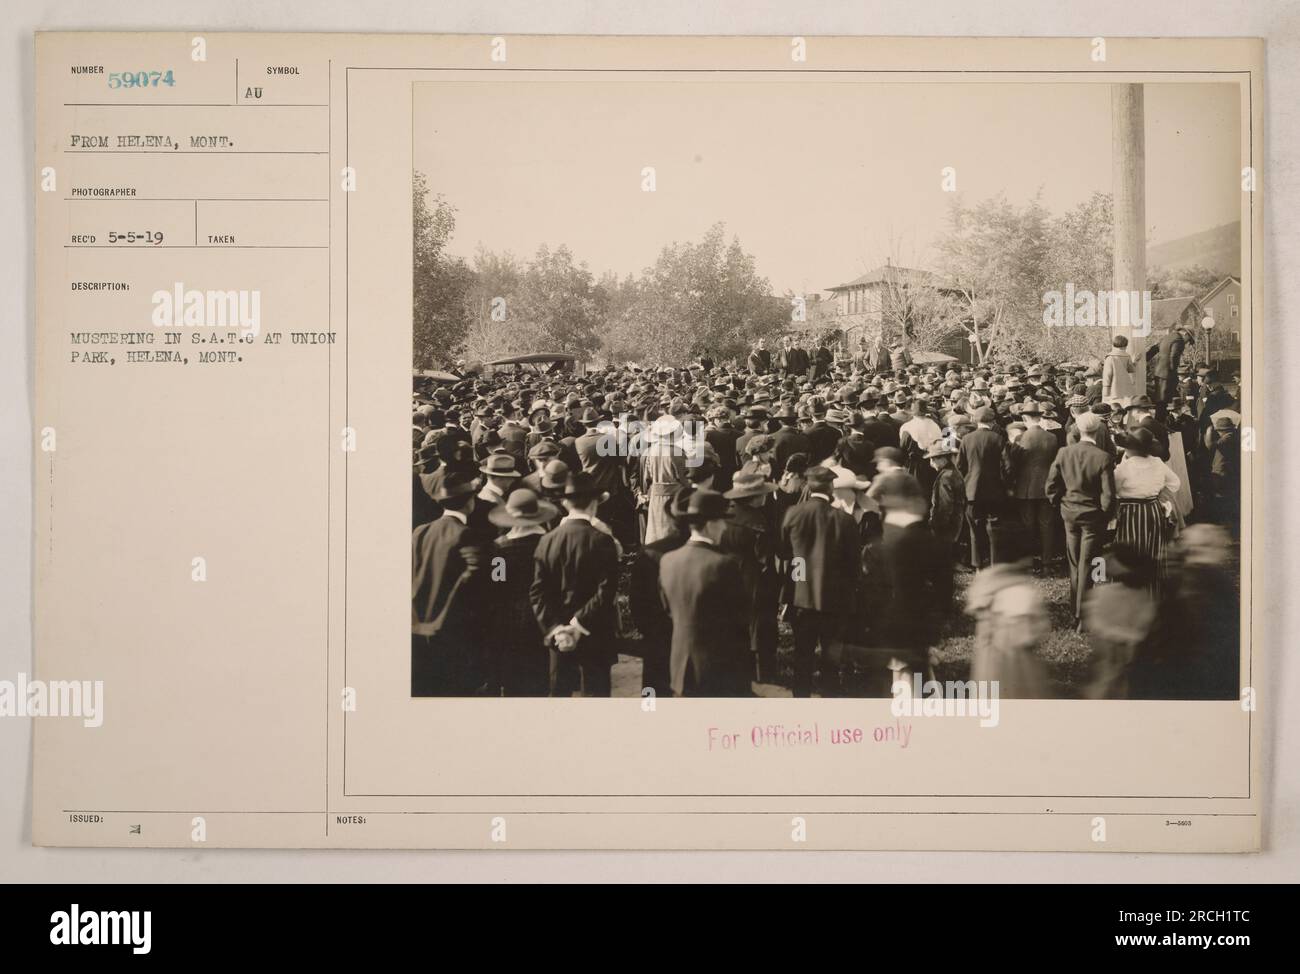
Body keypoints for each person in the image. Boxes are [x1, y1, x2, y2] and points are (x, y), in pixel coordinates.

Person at [530, 472, 622, 696]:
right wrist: (578, 623)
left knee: (560, 694)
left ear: (565, 503)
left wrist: (556, 628)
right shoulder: (602, 540)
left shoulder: (547, 540)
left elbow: (538, 592)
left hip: (559, 632)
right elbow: (606, 590)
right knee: (596, 694)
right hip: (595, 629)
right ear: (594, 503)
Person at [659, 489, 754, 696]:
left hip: (679, 663)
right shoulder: (723, 564)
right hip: (717, 665)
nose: (724, 527)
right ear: (710, 524)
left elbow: (667, 608)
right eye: (721, 521)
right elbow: (740, 619)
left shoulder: (667, 561)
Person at [779, 466, 860, 697]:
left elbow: (786, 553)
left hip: (801, 594)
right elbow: (853, 563)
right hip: (835, 597)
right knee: (831, 657)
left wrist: (801, 573)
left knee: (802, 653)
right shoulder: (844, 520)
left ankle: (801, 696)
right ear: (831, 487)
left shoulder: (793, 513)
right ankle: (829, 696)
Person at [411, 471, 489, 695]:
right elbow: (475, 578)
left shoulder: (420, 531)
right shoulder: (466, 535)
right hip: (452, 631)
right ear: (470, 502)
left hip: (418, 625)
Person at [1045, 411, 1117, 628]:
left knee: (1075, 561)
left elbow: (1051, 485)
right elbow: (1108, 494)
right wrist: (1106, 514)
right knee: (1088, 562)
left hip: (1070, 513)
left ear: (1078, 428)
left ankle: (1076, 609)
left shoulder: (1064, 453)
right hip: (1092, 516)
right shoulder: (1103, 457)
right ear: (1097, 430)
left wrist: (1059, 503)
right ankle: (1083, 613)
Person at [487, 489, 559, 696]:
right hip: (543, 618)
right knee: (542, 679)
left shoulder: (499, 550)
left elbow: (497, 585)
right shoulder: (548, 543)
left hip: (509, 621)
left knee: (514, 683)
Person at [1113, 426, 1180, 601]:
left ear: (1130, 448)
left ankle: (1133, 597)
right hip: (1153, 510)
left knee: (1132, 553)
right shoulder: (1157, 462)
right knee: (1154, 552)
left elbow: (1114, 489)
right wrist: (1157, 491)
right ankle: (1154, 595)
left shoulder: (1124, 467)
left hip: (1131, 513)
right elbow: (1175, 483)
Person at [1004, 399, 1059, 574]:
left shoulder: (1020, 438)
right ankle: (1047, 563)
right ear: (1040, 417)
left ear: (1026, 418)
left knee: (1027, 525)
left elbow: (1012, 463)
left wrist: (1011, 482)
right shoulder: (1052, 437)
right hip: (1047, 485)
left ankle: (1027, 562)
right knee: (1047, 525)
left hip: (1025, 486)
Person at [957, 405, 1006, 568]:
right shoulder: (998, 438)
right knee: (994, 529)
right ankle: (995, 564)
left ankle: (978, 565)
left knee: (975, 530)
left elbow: (960, 466)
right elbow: (1007, 465)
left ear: (976, 420)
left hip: (971, 490)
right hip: (994, 490)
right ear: (992, 421)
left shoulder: (966, 439)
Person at [1100, 334, 1138, 405]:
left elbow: (1107, 375)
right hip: (1126, 388)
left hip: (1113, 389)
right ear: (1125, 345)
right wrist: (1135, 362)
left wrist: (1105, 391)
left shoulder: (1110, 357)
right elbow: (1131, 369)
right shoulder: (1127, 356)